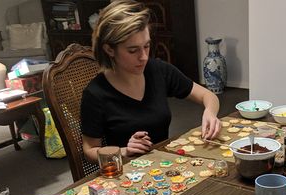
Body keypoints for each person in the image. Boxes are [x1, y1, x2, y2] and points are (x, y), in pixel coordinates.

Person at [81, 0, 221, 163]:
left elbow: (208, 96)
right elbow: (89, 151)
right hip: (127, 173)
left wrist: (210, 113)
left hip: (165, 165)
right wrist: (125, 150)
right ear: (109, 49)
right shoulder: (95, 94)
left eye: (146, 46)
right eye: (133, 50)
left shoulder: (158, 71)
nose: (143, 56)